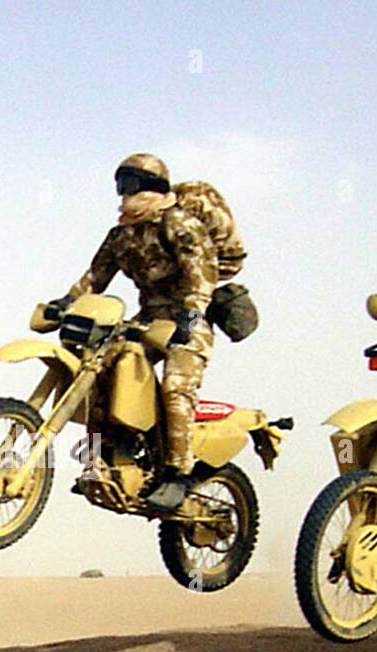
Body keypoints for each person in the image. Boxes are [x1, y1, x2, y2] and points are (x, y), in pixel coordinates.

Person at [53, 153, 241, 511]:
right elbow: (94, 278)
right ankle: (102, 457)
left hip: (188, 317)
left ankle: (179, 474)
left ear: (154, 188)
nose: (125, 195)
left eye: (132, 185)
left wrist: (186, 329)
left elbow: (201, 283)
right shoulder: (121, 235)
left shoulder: (180, 225)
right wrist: (64, 302)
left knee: (176, 385)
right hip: (149, 317)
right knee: (98, 370)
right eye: (121, 186)